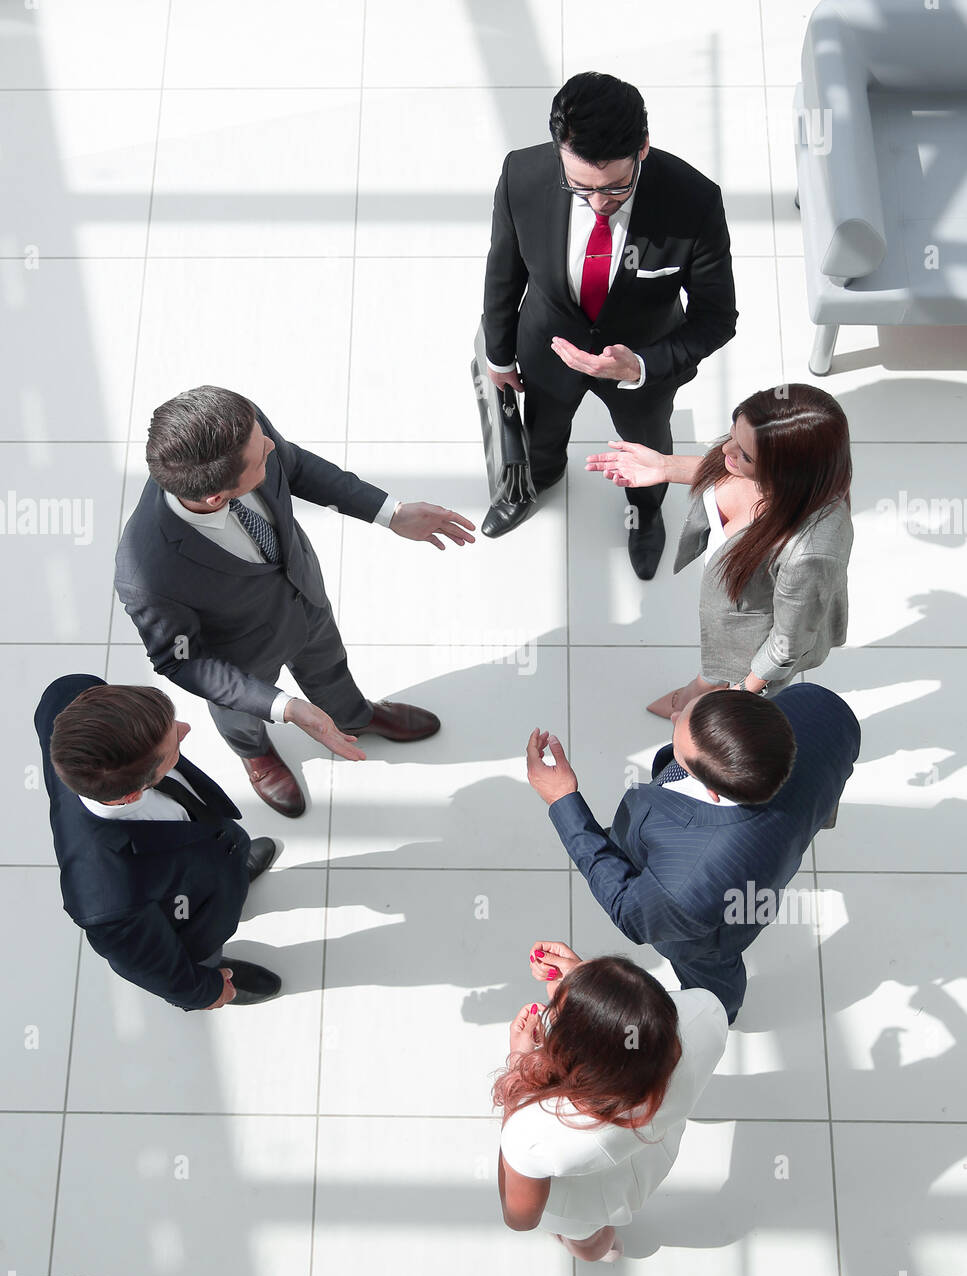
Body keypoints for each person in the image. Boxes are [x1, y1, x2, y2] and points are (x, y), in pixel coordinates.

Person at [114, 385, 476, 818]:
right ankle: (255, 754)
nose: (269, 442)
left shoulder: (242, 427)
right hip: (239, 658)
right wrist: (284, 707)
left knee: (329, 663)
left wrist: (390, 512)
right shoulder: (147, 573)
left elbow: (295, 465)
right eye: (261, 453)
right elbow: (180, 660)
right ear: (215, 498)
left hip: (303, 591)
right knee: (241, 718)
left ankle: (353, 715)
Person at [481, 70, 737, 578]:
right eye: (580, 188)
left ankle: (643, 514)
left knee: (647, 446)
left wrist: (640, 365)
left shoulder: (694, 200)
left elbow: (717, 317)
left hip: (642, 364)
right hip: (546, 347)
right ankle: (536, 483)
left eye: (616, 189)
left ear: (643, 147)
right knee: (542, 432)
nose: (598, 203)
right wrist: (498, 354)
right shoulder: (522, 175)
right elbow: (503, 270)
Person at [524, 682, 861, 1023]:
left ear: (712, 791)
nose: (672, 716)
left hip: (712, 932)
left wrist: (562, 799)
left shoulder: (684, 889)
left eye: (680, 745)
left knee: (711, 979)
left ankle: (717, 1016)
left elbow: (631, 911)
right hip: (784, 835)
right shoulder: (820, 708)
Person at [587, 383, 853, 715]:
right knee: (709, 676)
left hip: (753, 639)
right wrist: (665, 467)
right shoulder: (745, 456)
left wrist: (743, 692)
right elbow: (723, 473)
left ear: (787, 473)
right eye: (732, 435)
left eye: (745, 455)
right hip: (730, 612)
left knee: (710, 691)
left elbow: (788, 644)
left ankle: (693, 703)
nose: (726, 449)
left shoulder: (810, 553)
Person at [35, 674, 281, 1010]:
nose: (184, 729)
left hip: (206, 849)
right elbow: (153, 965)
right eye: (172, 745)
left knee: (225, 854)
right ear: (134, 792)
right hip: (188, 914)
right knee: (199, 952)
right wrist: (205, 991)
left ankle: (232, 868)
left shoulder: (69, 697)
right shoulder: (108, 900)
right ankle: (213, 967)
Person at [495, 945, 727, 1261]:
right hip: (645, 1160)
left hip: (585, 1202)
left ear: (572, 1063)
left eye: (555, 1012)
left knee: (585, 1236)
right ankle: (602, 1246)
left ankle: (596, 1251)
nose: (548, 1007)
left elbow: (518, 1218)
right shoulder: (706, 1015)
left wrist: (519, 1067)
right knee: (596, 1233)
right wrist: (594, 988)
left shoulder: (533, 1133)